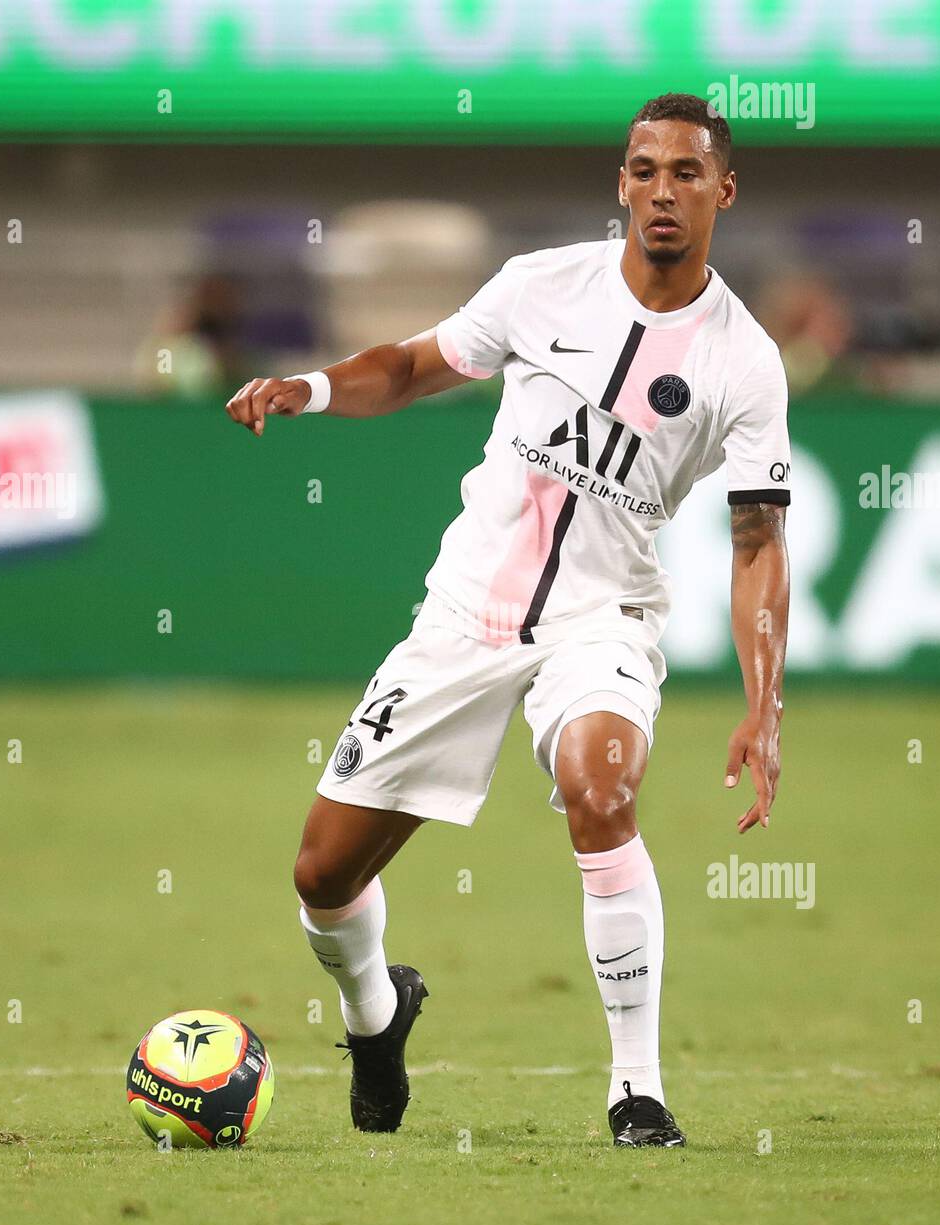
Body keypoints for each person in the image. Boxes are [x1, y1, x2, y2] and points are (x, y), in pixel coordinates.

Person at [226, 92, 791, 1148]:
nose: (659, 191)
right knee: (322, 873)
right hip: (465, 615)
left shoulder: (743, 360)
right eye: (641, 170)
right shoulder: (541, 286)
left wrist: (764, 704)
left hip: (601, 621)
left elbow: (756, 539)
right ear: (620, 182)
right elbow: (405, 365)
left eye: (683, 173)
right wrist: (305, 386)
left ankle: (635, 1088)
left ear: (723, 189)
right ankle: (376, 1016)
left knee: (600, 782)